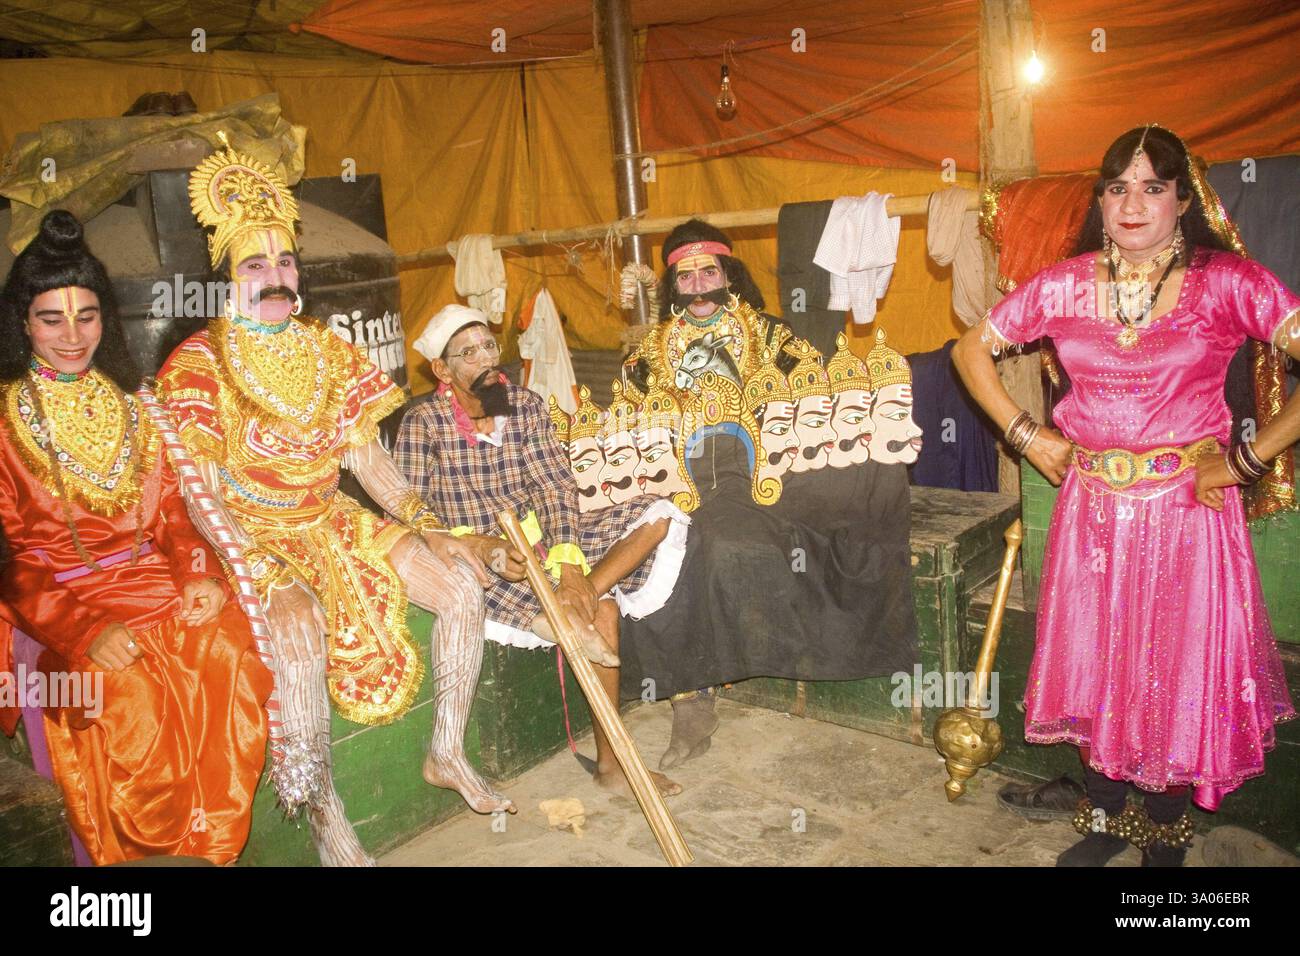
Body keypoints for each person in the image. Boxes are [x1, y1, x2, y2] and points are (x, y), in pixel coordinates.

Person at [156, 136, 509, 867]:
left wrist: (432, 528)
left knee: (465, 585)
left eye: (285, 262)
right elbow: (200, 496)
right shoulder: (199, 363)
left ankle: (446, 751)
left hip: (333, 520)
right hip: (246, 534)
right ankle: (322, 813)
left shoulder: (328, 348)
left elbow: (368, 462)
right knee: (294, 629)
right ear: (227, 277)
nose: (276, 277)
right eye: (256, 265)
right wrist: (253, 571)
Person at [953, 125, 1300, 867]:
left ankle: (1166, 845)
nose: (1133, 203)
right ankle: (1105, 820)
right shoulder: (1064, 284)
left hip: (1186, 517)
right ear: (1101, 201)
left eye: (1152, 186)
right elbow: (968, 350)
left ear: (1183, 198)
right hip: (1091, 512)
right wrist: (1027, 435)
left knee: (1171, 672)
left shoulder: (1228, 282)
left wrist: (1246, 461)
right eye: (1117, 188)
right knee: (1098, 664)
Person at [0, 210, 273, 865]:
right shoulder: (5, 421)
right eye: (52, 318)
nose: (72, 336)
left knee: (228, 648)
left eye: (87, 316)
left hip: (151, 583)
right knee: (133, 698)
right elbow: (9, 563)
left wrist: (200, 576)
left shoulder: (135, 406)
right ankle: (144, 864)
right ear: (22, 322)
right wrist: (83, 630)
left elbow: (173, 516)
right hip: (57, 606)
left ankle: (208, 851)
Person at [617, 220, 919, 770]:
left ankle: (716, 681)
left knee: (745, 528)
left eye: (710, 270)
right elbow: (631, 432)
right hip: (678, 477)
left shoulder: (775, 337)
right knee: (664, 535)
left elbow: (816, 407)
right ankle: (692, 694)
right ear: (672, 285)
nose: (700, 284)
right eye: (686, 276)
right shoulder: (646, 356)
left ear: (729, 275)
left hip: (761, 470)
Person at [395, 305, 690, 798]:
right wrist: (475, 543)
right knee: (605, 613)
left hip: (546, 541)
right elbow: (409, 512)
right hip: (480, 556)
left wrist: (572, 568)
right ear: (443, 371)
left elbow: (555, 488)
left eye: (489, 345)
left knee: (659, 512)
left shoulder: (522, 405)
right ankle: (613, 766)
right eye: (468, 353)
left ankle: (576, 599)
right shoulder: (423, 422)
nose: (487, 358)